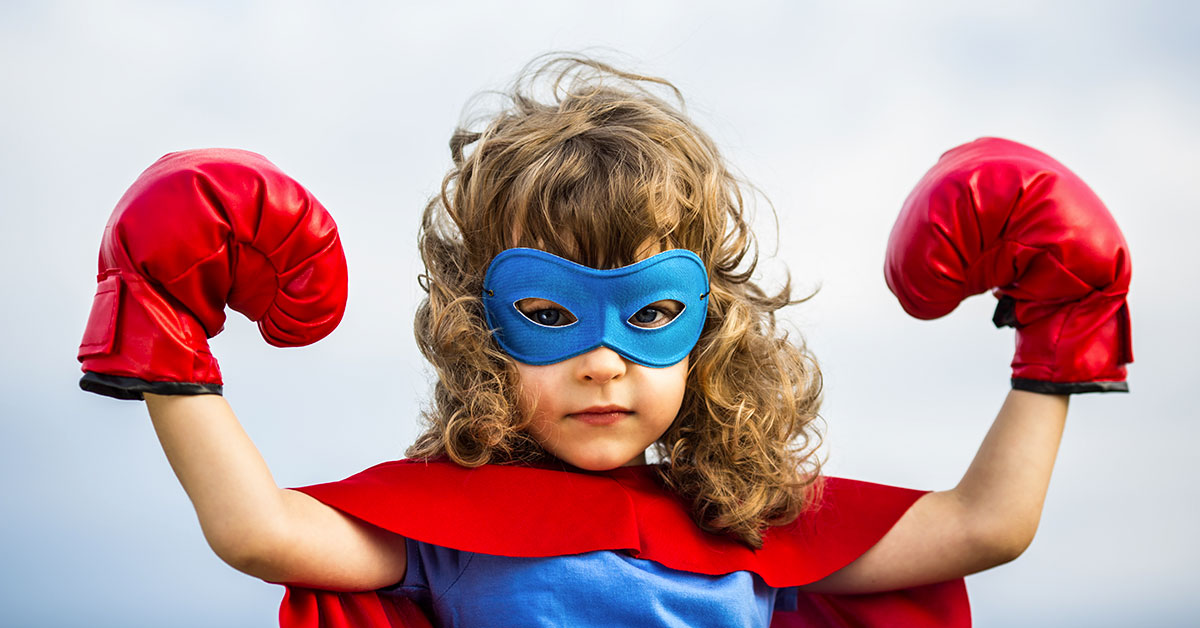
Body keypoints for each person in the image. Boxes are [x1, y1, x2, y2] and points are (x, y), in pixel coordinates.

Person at [76, 56, 1132, 627]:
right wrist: (163, 330)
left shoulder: (754, 534)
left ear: (707, 332)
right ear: (482, 334)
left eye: (651, 311)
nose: (603, 359)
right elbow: (260, 531)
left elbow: (984, 526)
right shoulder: (446, 533)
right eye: (549, 313)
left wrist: (1063, 329)